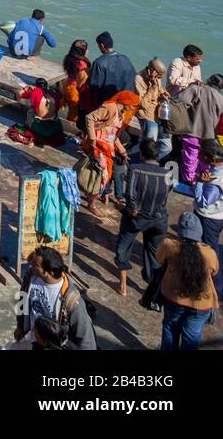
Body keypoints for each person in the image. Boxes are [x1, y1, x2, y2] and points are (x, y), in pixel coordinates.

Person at [115, 132, 173, 297]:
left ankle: (123, 286)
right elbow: (166, 196)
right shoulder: (168, 173)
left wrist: (128, 209)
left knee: (124, 248)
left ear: (141, 153)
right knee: (153, 253)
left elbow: (131, 197)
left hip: (137, 217)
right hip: (158, 219)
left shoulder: (135, 170)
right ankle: (150, 286)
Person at [156, 212, 218, 351]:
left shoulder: (169, 246)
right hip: (201, 304)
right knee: (191, 339)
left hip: (174, 298)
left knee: (170, 329)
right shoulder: (209, 253)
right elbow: (214, 271)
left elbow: (159, 259)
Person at [15, 246, 96, 350]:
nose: (31, 265)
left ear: (50, 273)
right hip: (35, 340)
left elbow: (86, 340)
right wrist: (20, 326)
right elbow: (22, 300)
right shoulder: (31, 276)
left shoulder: (72, 301)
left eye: (36, 264)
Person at [88, 31, 137, 104]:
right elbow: (133, 78)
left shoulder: (99, 63)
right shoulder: (125, 59)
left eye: (98, 46)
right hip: (126, 102)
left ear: (102, 45)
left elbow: (94, 86)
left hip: (108, 104)